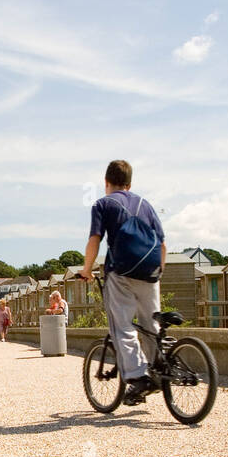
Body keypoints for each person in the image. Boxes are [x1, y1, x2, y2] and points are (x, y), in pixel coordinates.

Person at [79, 159, 165, 406]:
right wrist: (159, 271)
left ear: (106, 182)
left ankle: (138, 377)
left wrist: (86, 269)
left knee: (122, 325)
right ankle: (159, 368)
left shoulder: (103, 204)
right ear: (130, 183)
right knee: (152, 324)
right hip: (150, 272)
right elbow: (162, 243)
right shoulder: (145, 204)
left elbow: (95, 239)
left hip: (120, 272)